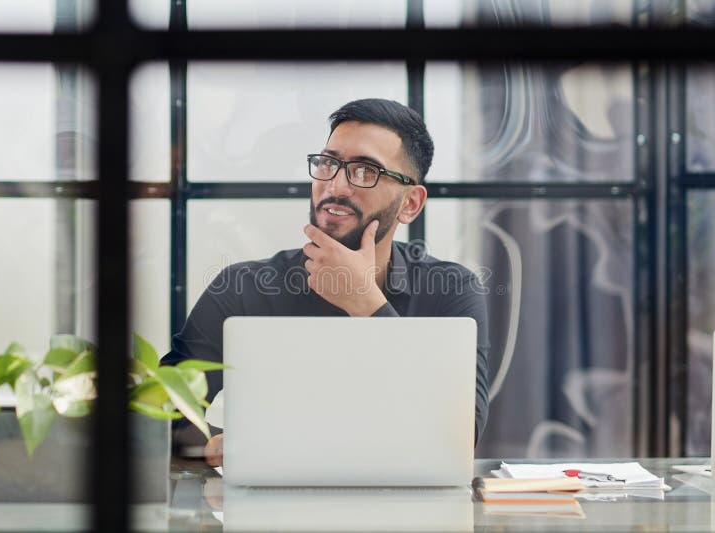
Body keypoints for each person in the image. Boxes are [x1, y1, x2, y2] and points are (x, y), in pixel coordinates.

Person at [161, 98, 489, 466]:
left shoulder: (451, 289)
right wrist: (213, 444)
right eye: (329, 163)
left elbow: (461, 438)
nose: (336, 186)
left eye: (365, 171)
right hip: (271, 513)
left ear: (410, 204)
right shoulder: (241, 287)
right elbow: (158, 411)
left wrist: (367, 305)